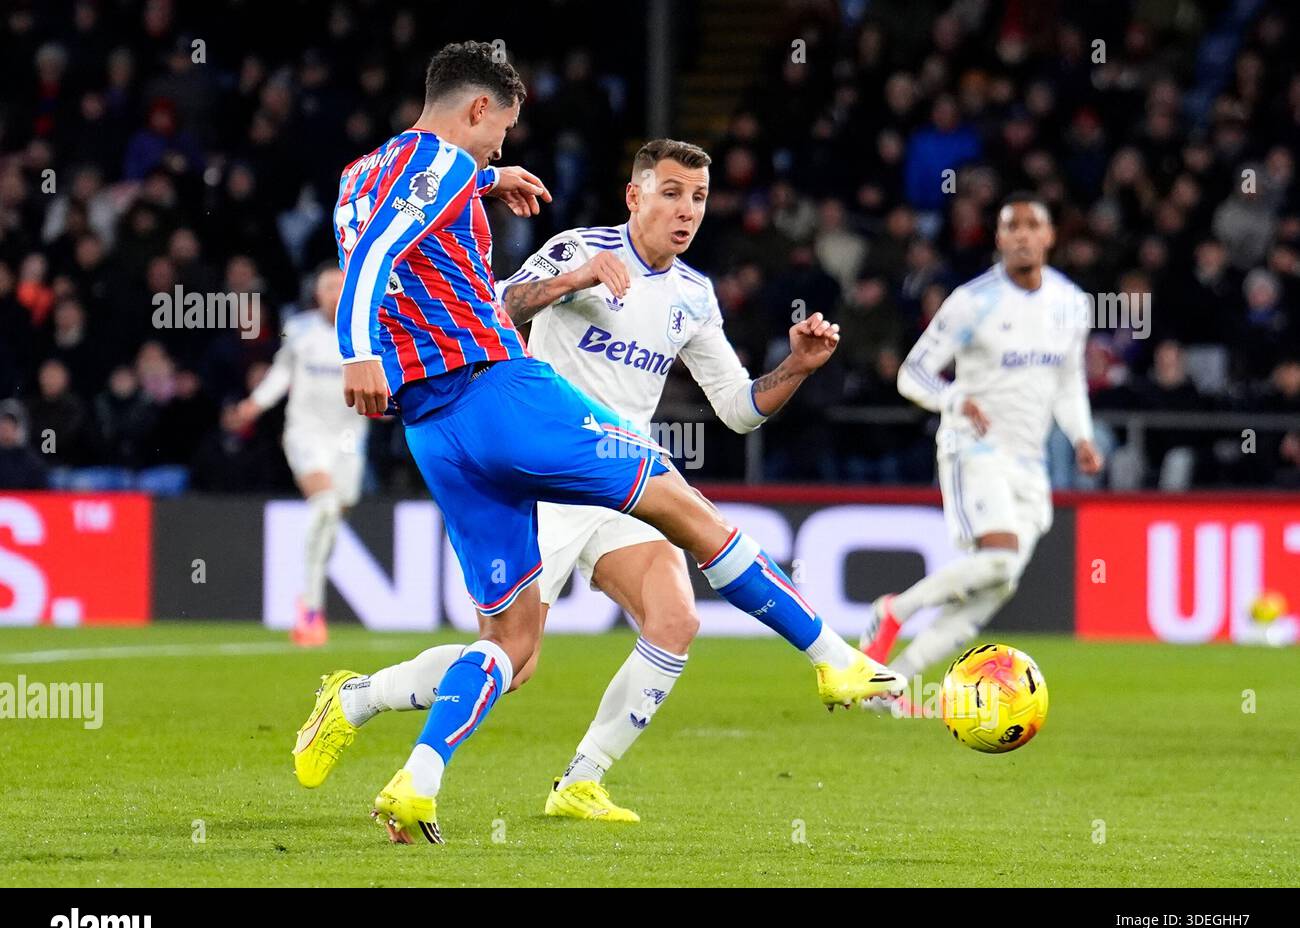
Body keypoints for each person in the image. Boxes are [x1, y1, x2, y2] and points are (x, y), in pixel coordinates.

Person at [291, 41, 903, 845]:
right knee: (683, 506)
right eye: (499, 136)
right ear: (477, 110)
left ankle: (430, 771)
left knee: (538, 643)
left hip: (436, 426)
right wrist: (358, 347)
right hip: (516, 411)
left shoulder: (364, 174)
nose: (502, 150)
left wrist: (794, 366)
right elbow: (391, 263)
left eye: (700, 198)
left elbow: (739, 409)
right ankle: (834, 654)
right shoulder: (556, 231)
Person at [860, 193, 1103, 703]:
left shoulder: (1071, 304)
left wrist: (1081, 436)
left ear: (1049, 236)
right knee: (997, 560)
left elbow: (1068, 382)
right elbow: (912, 374)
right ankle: (894, 611)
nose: (1021, 234)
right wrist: (955, 397)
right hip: (973, 448)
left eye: (1031, 225)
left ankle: (894, 683)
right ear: (998, 239)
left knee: (1001, 583)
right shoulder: (972, 302)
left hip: (1030, 460)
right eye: (1010, 226)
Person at [236, 265, 365, 645]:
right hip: (305, 434)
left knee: (333, 520)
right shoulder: (300, 329)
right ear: (317, 294)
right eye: (328, 287)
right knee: (324, 507)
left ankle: (310, 591)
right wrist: (254, 405)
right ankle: (310, 609)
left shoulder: (365, 329)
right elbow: (281, 375)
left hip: (348, 438)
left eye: (341, 286)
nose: (334, 293)